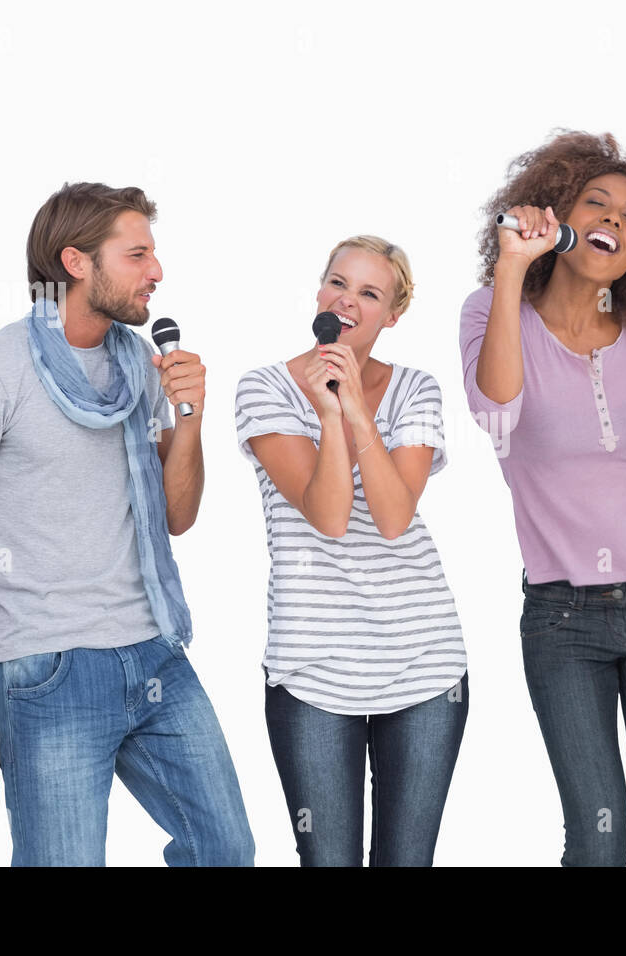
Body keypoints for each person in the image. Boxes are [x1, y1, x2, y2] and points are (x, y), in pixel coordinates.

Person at [0, 182, 255, 866]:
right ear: (76, 263)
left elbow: (179, 519)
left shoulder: (140, 363)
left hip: (155, 649)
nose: (156, 271)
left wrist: (187, 422)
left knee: (224, 849)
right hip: (50, 668)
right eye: (136, 255)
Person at [459, 131, 626, 866]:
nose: (614, 220)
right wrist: (516, 266)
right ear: (560, 213)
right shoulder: (491, 310)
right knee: (600, 835)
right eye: (596, 203)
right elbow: (495, 411)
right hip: (564, 620)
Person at [235, 235, 468, 867]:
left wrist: (355, 411)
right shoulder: (263, 390)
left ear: (393, 315)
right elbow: (329, 516)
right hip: (312, 669)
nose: (348, 300)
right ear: (318, 293)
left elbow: (394, 518)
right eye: (338, 283)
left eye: (370, 293)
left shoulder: (417, 389)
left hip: (423, 665)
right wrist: (329, 414)